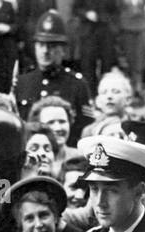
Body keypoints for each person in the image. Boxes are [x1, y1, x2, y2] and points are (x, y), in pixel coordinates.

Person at [14, 10, 90, 141]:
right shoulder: (22, 82)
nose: (45, 51)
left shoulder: (77, 84)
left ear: (63, 50)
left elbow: (85, 129)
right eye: (41, 45)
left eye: (52, 46)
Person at [73, 0, 120, 87]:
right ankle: (90, 93)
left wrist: (112, 26)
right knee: (88, 63)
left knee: (107, 62)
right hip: (88, 31)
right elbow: (76, 8)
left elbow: (115, 9)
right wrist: (86, 14)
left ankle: (105, 90)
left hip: (105, 31)